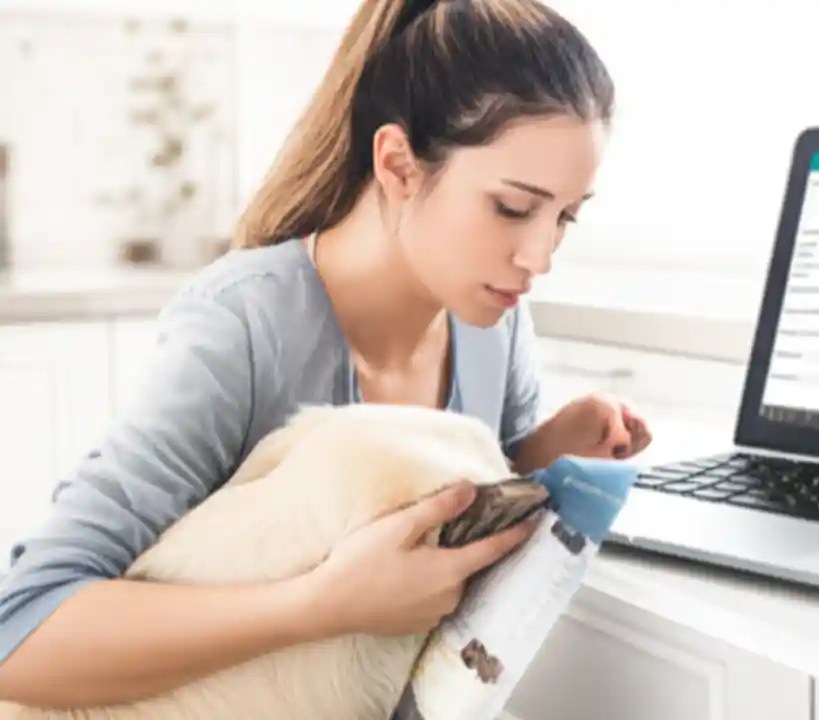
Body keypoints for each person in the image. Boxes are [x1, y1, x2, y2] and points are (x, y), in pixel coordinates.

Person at [0, 0, 650, 709]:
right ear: (399, 165)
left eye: (566, 216)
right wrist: (322, 604)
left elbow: (429, 538)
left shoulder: (493, 322)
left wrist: (542, 457)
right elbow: (22, 636)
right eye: (512, 209)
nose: (540, 256)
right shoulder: (243, 328)